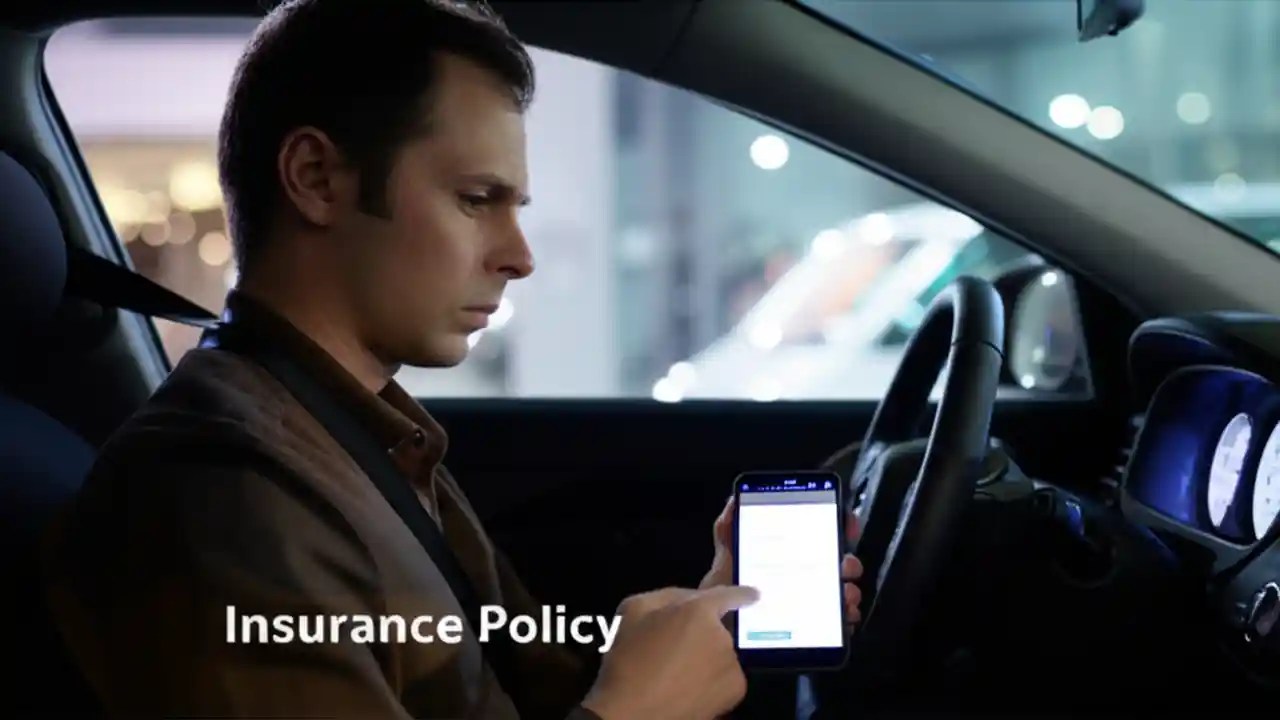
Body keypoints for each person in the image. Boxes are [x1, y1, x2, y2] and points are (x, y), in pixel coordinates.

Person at [41, 1, 864, 718]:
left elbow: (516, 672)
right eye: (476, 200)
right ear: (316, 178)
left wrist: (713, 618)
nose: (519, 255)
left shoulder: (369, 434)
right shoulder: (214, 496)